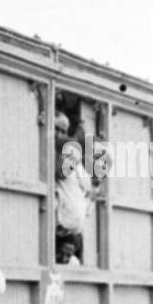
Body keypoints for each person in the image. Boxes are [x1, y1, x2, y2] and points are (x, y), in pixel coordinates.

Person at [54, 112, 101, 263]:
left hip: (71, 223)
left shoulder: (76, 162)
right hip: (60, 219)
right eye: (56, 128)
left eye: (63, 131)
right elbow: (61, 172)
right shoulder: (64, 153)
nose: (59, 134)